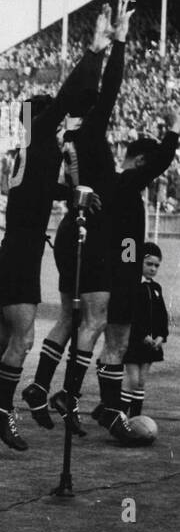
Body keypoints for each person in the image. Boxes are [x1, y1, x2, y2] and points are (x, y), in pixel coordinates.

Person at [0, 28, 110, 451]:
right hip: (21, 254)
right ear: (46, 121)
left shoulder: (31, 151)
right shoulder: (40, 138)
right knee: (20, 340)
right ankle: (1, 412)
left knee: (1, 337)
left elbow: (40, 191)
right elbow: (64, 98)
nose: (62, 128)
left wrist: (71, 192)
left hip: (12, 250)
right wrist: (94, 53)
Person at [24, 0, 131, 433]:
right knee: (94, 317)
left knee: (70, 315)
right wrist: (117, 44)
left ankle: (40, 385)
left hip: (71, 228)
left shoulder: (55, 139)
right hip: (94, 232)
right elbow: (112, 89)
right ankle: (67, 394)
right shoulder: (89, 130)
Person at [95, 114, 179, 442]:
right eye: (149, 165)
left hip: (118, 271)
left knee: (112, 345)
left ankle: (106, 407)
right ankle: (110, 409)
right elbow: (162, 162)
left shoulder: (120, 185)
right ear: (141, 161)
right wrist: (173, 129)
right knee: (116, 345)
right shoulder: (128, 181)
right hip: (121, 276)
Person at [121, 242, 167, 418]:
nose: (153, 269)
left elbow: (162, 316)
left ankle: (135, 419)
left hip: (151, 345)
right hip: (134, 342)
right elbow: (131, 316)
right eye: (149, 264)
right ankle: (120, 417)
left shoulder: (156, 288)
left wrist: (161, 337)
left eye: (156, 265)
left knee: (141, 382)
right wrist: (142, 336)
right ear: (139, 262)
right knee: (132, 380)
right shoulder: (133, 287)